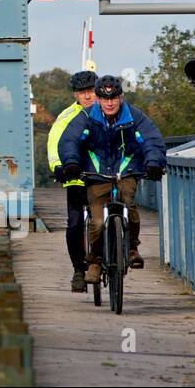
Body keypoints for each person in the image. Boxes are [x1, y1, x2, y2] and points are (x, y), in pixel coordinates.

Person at [58, 74, 166, 284]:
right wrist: (71, 162)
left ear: (121, 97)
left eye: (114, 98)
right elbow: (69, 140)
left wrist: (153, 162)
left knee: (129, 205)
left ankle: (132, 246)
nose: (109, 103)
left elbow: (151, 139)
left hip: (126, 171)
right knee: (97, 221)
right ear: (98, 99)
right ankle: (96, 260)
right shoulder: (86, 118)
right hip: (97, 174)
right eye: (105, 99)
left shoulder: (134, 116)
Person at [46, 70, 97, 292]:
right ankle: (78, 270)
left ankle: (105, 256)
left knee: (102, 218)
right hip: (75, 177)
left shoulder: (107, 112)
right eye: (82, 92)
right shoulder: (66, 117)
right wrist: (58, 166)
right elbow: (55, 143)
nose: (87, 96)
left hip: (100, 176)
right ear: (75, 95)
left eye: (91, 91)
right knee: (75, 223)